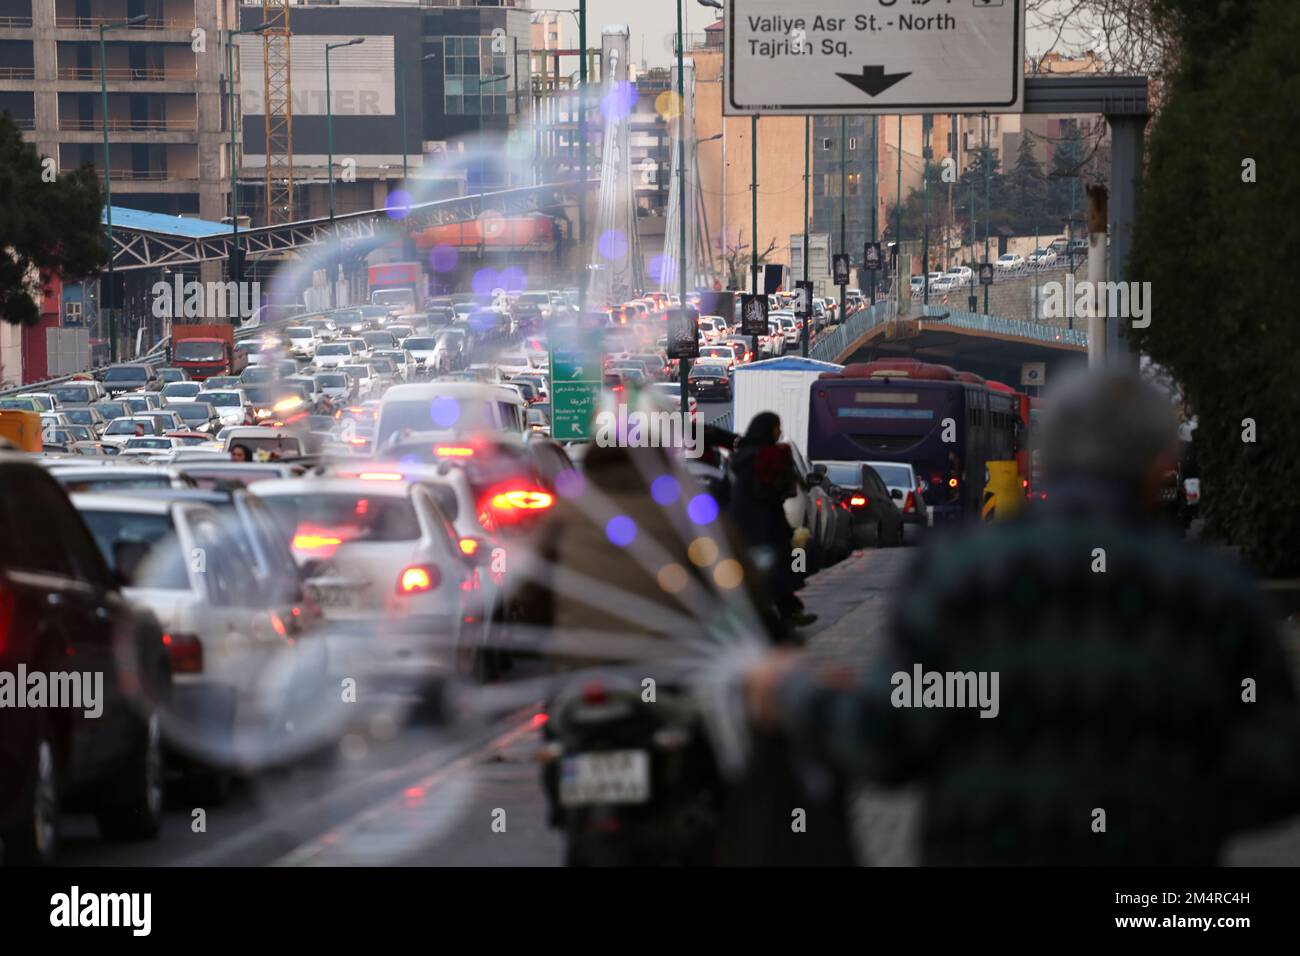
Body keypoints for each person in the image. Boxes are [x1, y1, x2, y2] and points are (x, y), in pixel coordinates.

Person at [744, 369, 1300, 865]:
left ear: (1047, 459)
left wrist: (793, 691)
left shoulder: (961, 577)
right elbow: (1275, 771)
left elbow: (884, 742)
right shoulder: (1212, 594)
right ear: (1161, 468)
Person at [727, 412, 816, 630]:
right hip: (761, 521)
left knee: (773, 568)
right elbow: (765, 491)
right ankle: (782, 615)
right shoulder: (763, 457)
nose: (780, 432)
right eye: (777, 427)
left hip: (748, 521)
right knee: (774, 568)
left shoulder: (744, 455)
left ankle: (787, 611)